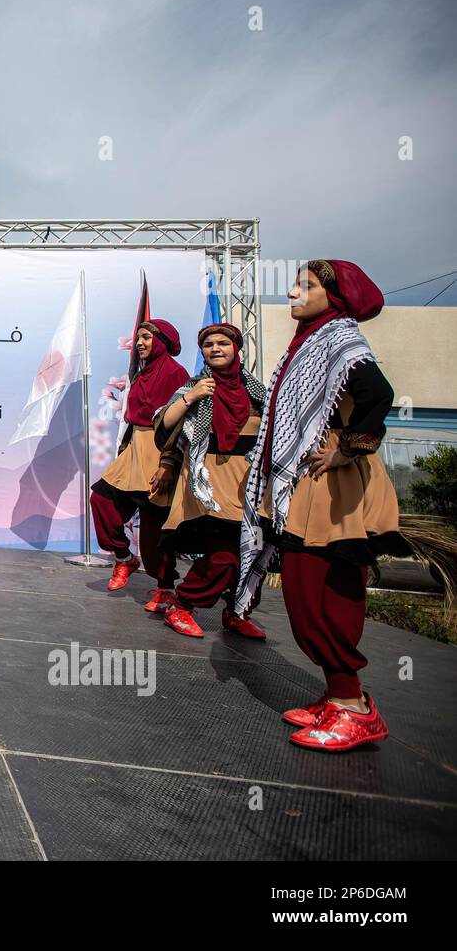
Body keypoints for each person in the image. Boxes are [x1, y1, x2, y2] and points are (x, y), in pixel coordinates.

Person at [234, 260, 405, 753]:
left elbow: (379, 394)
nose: (291, 293)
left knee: (323, 593)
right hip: (307, 486)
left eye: (305, 285)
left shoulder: (339, 338)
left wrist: (347, 448)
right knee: (305, 595)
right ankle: (337, 697)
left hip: (332, 487)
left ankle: (355, 710)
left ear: (334, 295)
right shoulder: (310, 341)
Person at [150, 323, 267, 639]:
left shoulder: (258, 393)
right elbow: (163, 427)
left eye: (223, 343)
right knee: (225, 556)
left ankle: (236, 612)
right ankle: (183, 605)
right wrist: (192, 397)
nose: (215, 349)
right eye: (208, 344)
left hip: (249, 486)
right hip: (208, 484)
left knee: (251, 555)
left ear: (236, 349)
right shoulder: (195, 386)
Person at [89, 318, 189, 595]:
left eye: (147, 337)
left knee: (155, 527)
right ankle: (123, 557)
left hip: (161, 452)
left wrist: (169, 462)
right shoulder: (141, 373)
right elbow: (133, 418)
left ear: (162, 341)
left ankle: (165, 587)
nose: (140, 343)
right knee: (102, 499)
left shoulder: (175, 374)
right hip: (134, 449)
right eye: (139, 338)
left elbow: (181, 422)